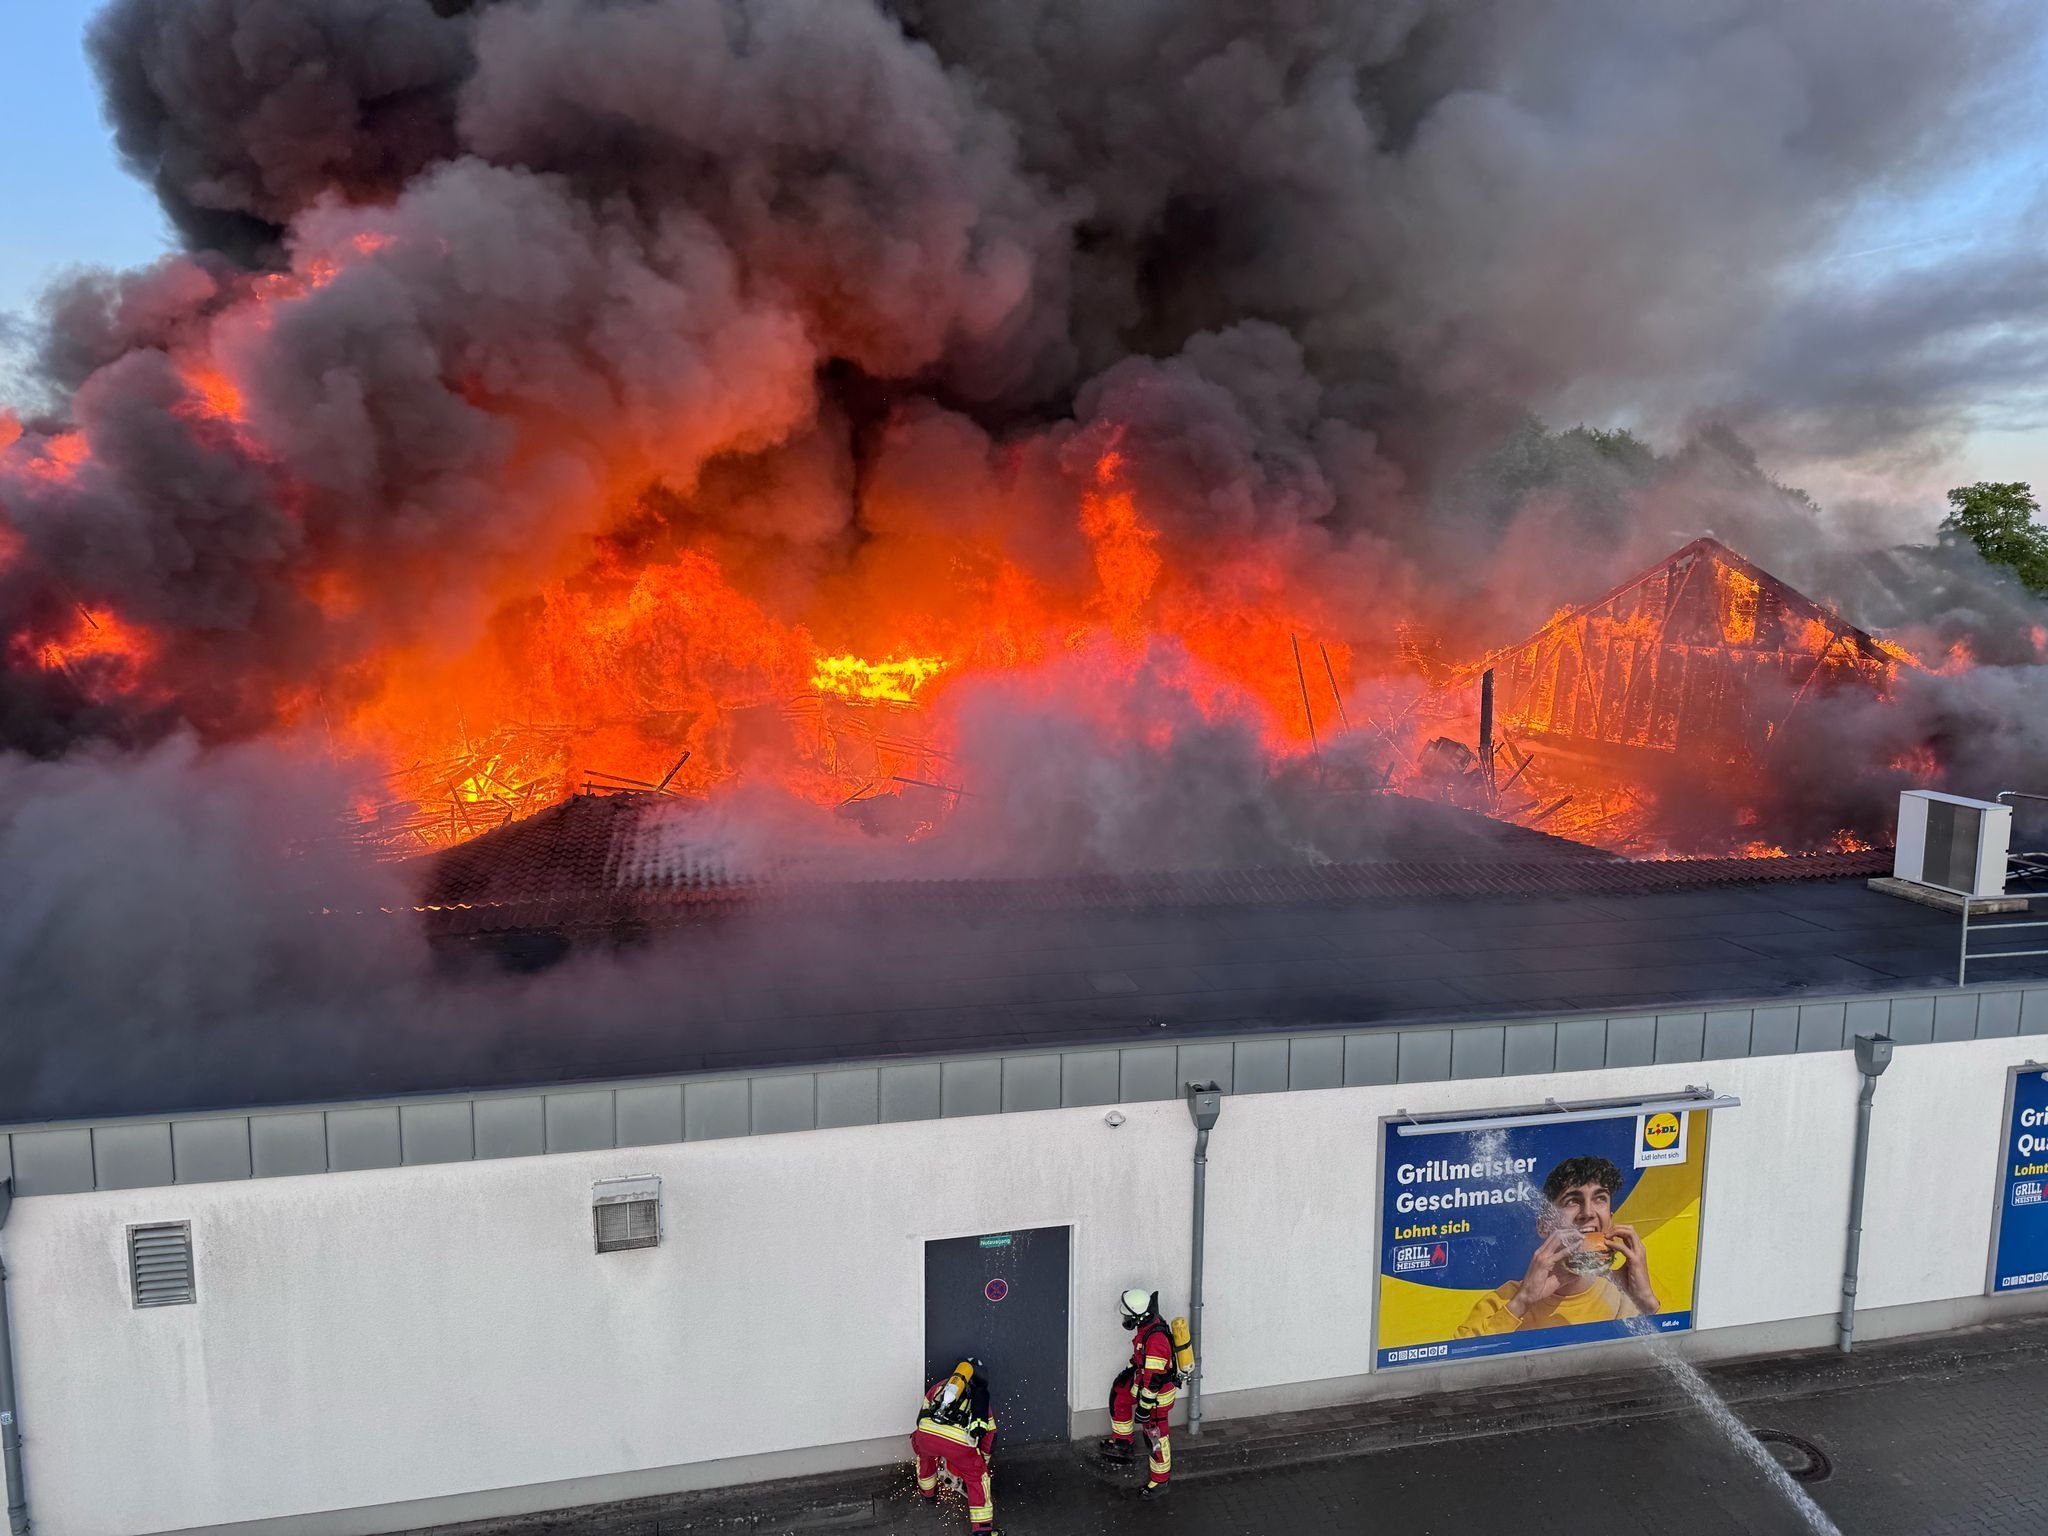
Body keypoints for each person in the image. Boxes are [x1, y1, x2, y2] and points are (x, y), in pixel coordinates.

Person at [1457, 1154, 1659, 1336]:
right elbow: (1459, 1365)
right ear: (1544, 1225)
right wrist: (1523, 1301)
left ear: (1610, 1220)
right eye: (1572, 1201)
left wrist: (1645, 1302)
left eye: (1599, 1198)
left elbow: (1670, 1361)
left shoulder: (1630, 1297)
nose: (1587, 1212)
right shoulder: (1504, 1302)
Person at [1097, 1288, 1177, 1499]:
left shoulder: (1156, 1339)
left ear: (1139, 1316)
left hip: (1156, 1397)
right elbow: (1142, 1358)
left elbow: (1154, 1379)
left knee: (1155, 1437)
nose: (1126, 1318)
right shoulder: (1146, 1328)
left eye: (1128, 1315)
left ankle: (1160, 1480)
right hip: (1143, 1384)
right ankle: (1123, 1443)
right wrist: (1130, 1369)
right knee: (1119, 1394)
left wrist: (1144, 1407)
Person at [913, 1359, 1000, 1534]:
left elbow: (923, 1412)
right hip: (958, 1444)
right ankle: (982, 1530)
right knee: (977, 1479)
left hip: (925, 1434)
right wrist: (982, 1461)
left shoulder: (940, 1386)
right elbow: (989, 1436)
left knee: (925, 1458)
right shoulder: (980, 1398)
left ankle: (928, 1494)